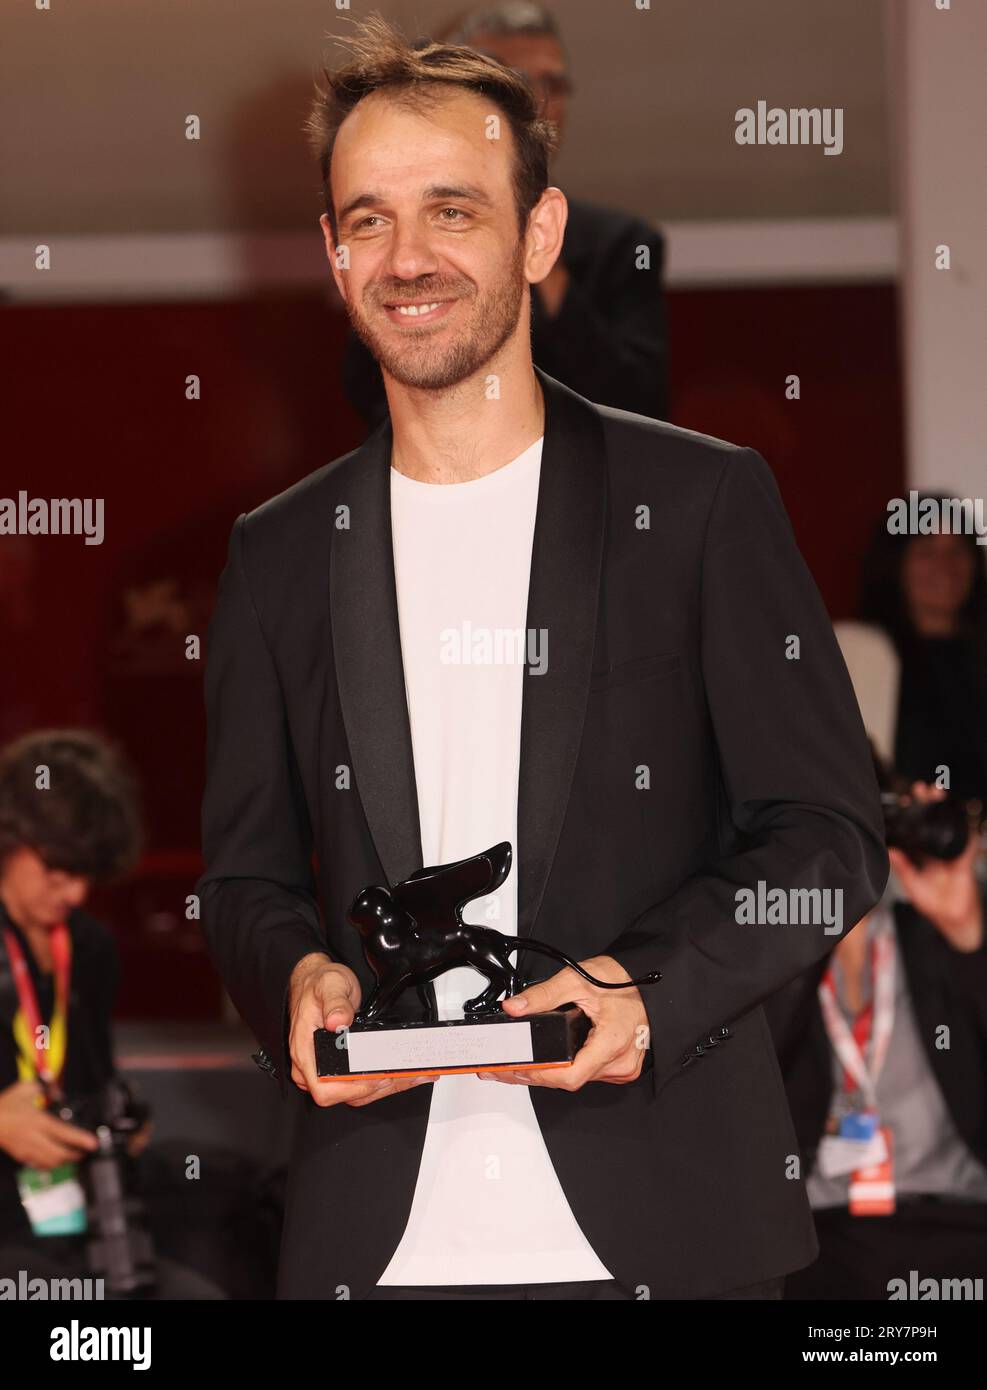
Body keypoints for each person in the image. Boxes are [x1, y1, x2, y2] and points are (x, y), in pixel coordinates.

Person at [197, 14, 888, 1301]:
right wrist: (295, 972)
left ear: (542, 232)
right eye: (368, 219)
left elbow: (830, 834)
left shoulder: (698, 503)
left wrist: (648, 983)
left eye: (452, 210)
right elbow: (241, 877)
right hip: (377, 1240)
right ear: (334, 260)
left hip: (675, 1232)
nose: (409, 257)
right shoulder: (277, 554)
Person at [340, 2, 669, 431]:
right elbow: (371, 393)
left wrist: (534, 251)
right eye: (514, 83)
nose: (540, 103)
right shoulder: (401, 242)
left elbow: (638, 404)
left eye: (552, 83)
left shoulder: (624, 244)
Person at [0, 730, 223, 1299]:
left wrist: (119, 1118)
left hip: (79, 1209)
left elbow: (93, 1074)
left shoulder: (90, 945)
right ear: (10, 839)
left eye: (87, 875)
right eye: (57, 870)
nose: (74, 893)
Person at [766, 781, 987, 1300]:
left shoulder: (938, 926)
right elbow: (748, 1071)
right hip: (821, 1236)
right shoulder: (766, 940)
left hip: (956, 1218)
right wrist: (811, 925)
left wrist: (965, 931)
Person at [859, 507, 987, 806]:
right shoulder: (861, 655)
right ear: (896, 563)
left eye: (957, 550)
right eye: (927, 551)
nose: (946, 565)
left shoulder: (979, 656)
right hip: (901, 841)